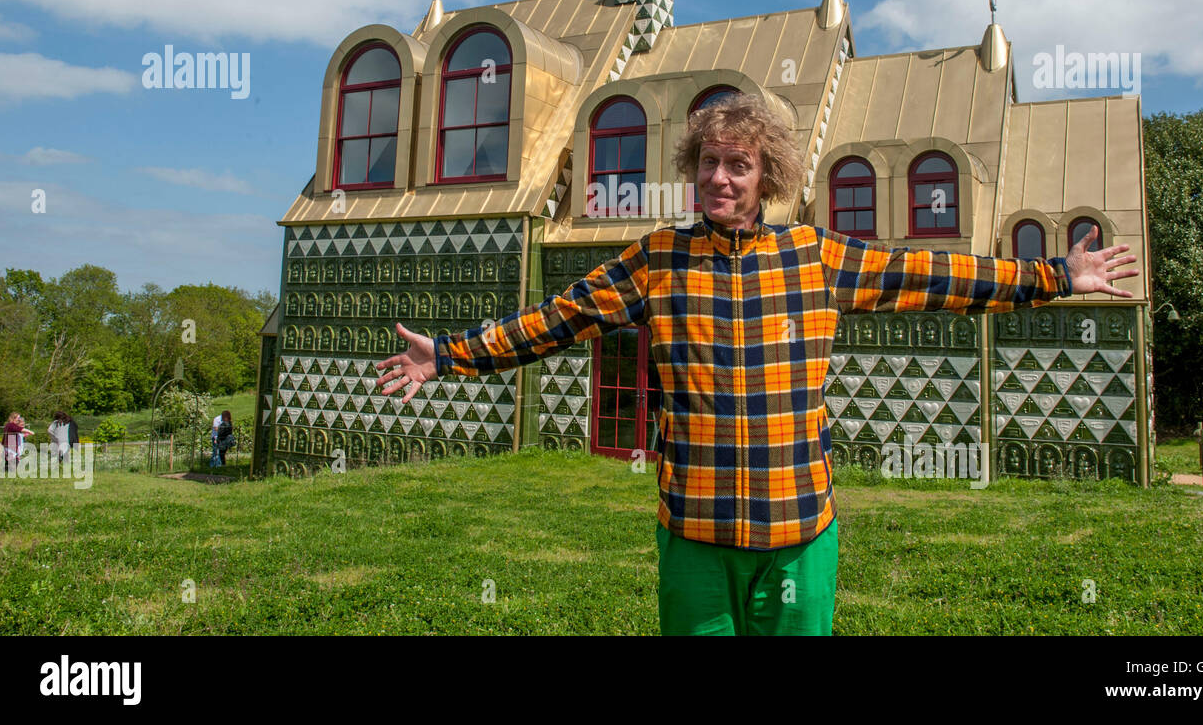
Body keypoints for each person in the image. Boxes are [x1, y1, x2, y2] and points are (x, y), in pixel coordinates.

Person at [374, 96, 1139, 636]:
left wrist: (1057, 277)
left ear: (765, 175)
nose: (720, 179)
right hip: (694, 531)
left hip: (799, 528)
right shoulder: (656, 262)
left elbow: (938, 277)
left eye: (737, 165)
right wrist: (445, 356)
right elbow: (553, 321)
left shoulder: (814, 257)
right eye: (708, 163)